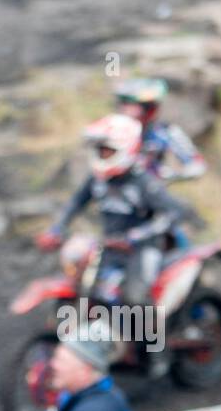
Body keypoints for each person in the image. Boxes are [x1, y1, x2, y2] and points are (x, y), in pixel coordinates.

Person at [36, 114, 195, 370]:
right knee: (89, 290)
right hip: (109, 247)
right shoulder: (98, 180)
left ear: (126, 149)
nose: (102, 155)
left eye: (108, 150)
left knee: (134, 298)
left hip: (144, 249)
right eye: (100, 149)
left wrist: (137, 235)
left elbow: (174, 212)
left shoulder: (143, 182)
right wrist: (57, 229)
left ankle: (156, 354)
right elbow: (75, 203)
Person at [114, 76, 207, 183]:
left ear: (149, 108)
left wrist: (170, 175)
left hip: (150, 191)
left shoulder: (165, 132)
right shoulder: (113, 129)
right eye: (124, 104)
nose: (126, 111)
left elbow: (197, 164)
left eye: (133, 106)